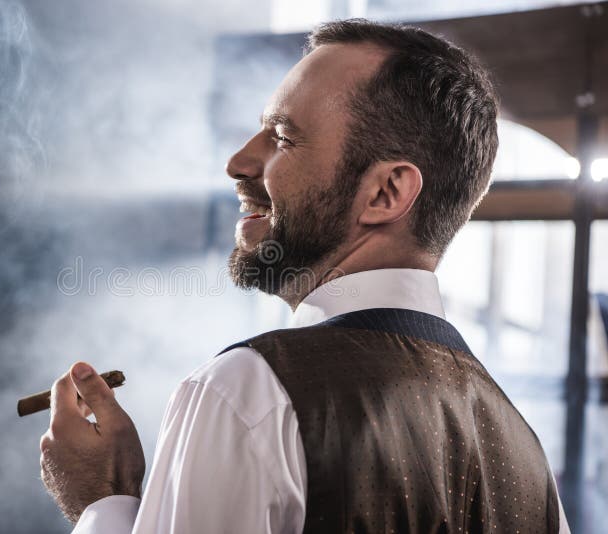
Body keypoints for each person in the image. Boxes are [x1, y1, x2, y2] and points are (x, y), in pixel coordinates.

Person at [39, 19, 571, 533]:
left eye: (283, 138)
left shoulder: (247, 390)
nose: (239, 162)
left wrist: (103, 502)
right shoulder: (523, 450)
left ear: (386, 193)